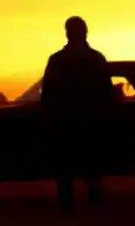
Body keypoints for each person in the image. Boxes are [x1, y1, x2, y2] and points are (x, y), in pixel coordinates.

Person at [41, 16, 113, 213]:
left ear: (67, 33)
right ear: (85, 32)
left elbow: (48, 94)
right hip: (90, 122)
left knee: (66, 168)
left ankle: (68, 205)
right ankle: (94, 202)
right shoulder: (96, 59)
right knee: (92, 167)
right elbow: (107, 93)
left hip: (66, 122)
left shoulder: (57, 60)